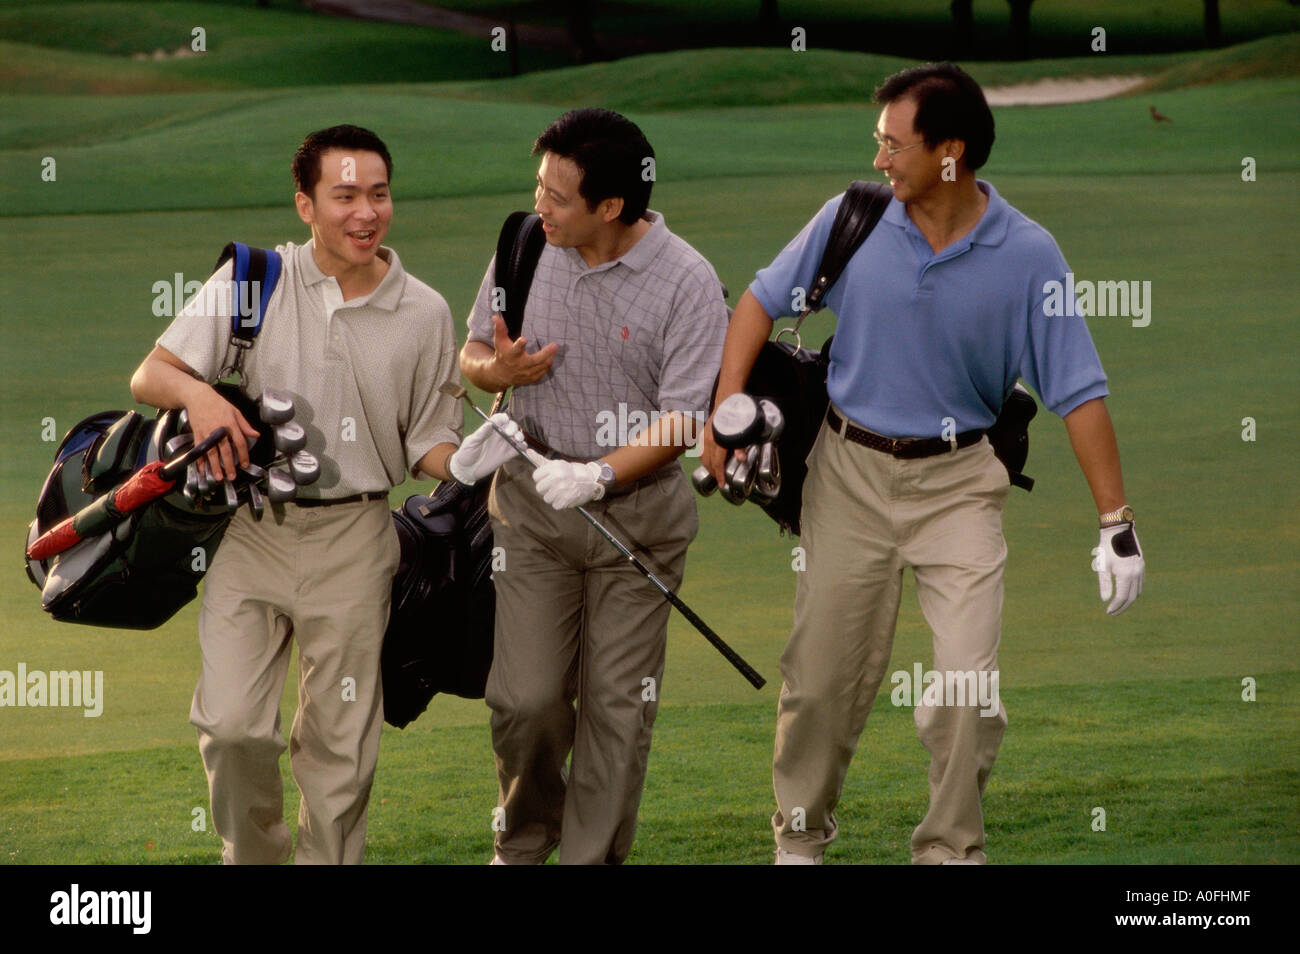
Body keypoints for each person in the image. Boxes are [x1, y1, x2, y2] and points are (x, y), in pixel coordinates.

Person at [700, 64, 1145, 865]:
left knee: (967, 691)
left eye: (892, 145)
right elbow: (761, 300)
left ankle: (949, 851)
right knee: (822, 683)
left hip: (962, 484)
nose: (879, 160)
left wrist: (1117, 524)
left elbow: (1079, 390)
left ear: (951, 152)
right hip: (847, 473)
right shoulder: (856, 219)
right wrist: (724, 411)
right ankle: (799, 844)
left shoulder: (1029, 253)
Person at [129, 124, 463, 864]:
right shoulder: (253, 279)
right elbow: (151, 373)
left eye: (378, 194)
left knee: (340, 753)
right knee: (233, 727)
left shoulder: (427, 312)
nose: (365, 212)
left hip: (357, 539)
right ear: (306, 204)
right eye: (344, 195)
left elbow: (429, 447)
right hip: (248, 532)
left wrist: (486, 459)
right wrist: (201, 398)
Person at [453, 108, 729, 865]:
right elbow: (473, 350)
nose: (539, 204)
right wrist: (496, 374)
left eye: (557, 195)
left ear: (611, 206)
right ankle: (525, 841)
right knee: (526, 699)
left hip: (637, 520)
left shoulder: (687, 282)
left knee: (615, 709)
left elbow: (682, 420)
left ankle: (589, 858)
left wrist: (600, 473)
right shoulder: (524, 242)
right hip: (531, 510)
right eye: (538, 184)